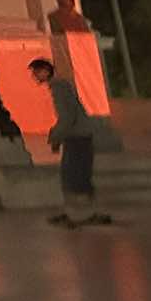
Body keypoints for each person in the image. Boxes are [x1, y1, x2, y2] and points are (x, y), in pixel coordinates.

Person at [32, 58, 109, 228]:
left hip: (77, 137)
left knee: (73, 176)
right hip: (79, 135)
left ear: (45, 71)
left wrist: (56, 136)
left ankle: (80, 215)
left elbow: (67, 117)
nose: (35, 76)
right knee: (79, 175)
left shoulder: (58, 88)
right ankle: (81, 212)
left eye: (36, 72)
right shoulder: (62, 86)